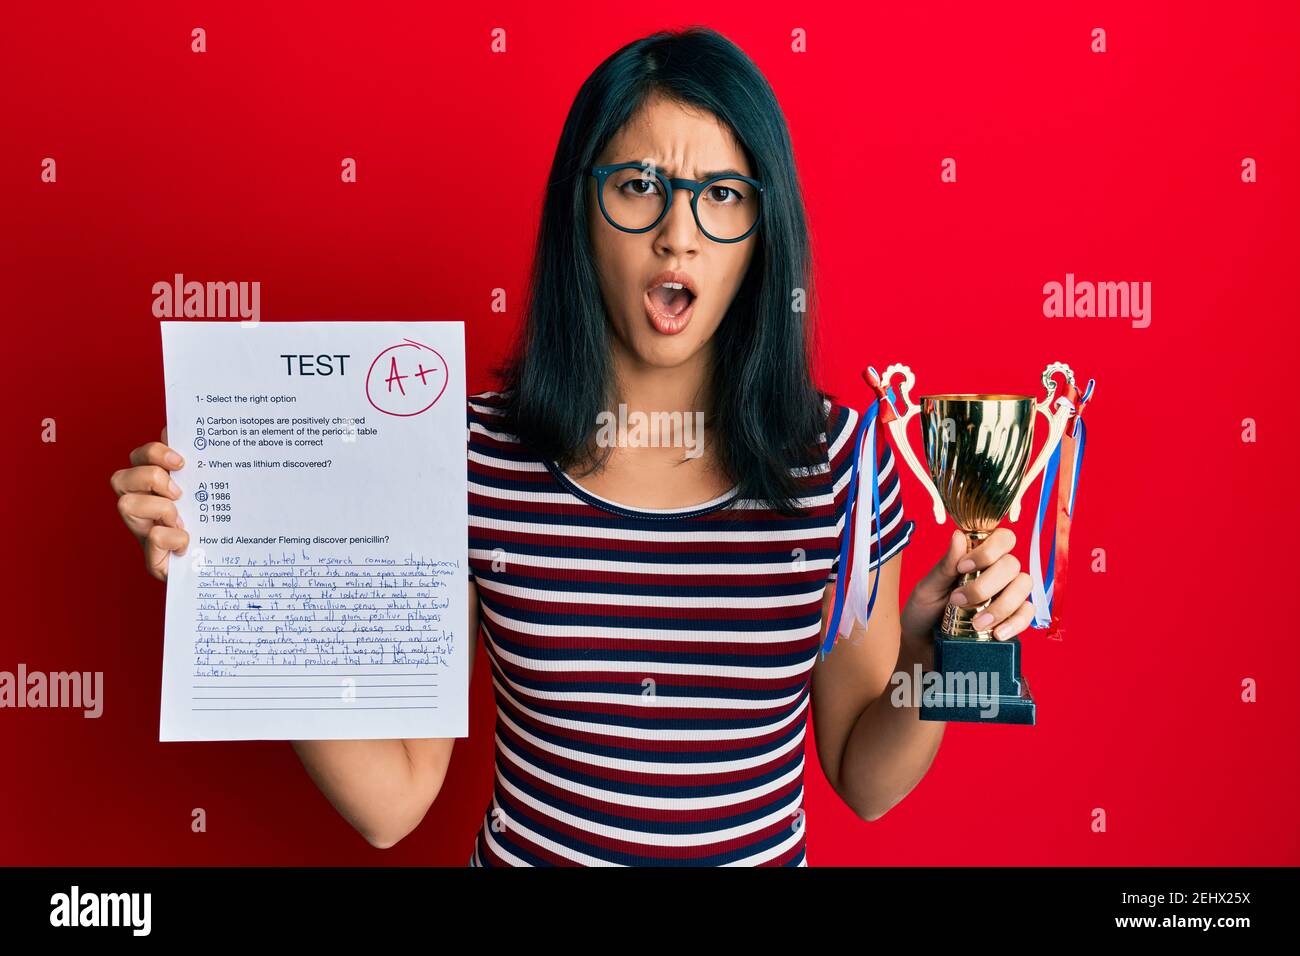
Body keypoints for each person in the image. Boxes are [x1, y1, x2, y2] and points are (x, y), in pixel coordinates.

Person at [109, 27, 1035, 866]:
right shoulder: (466, 454)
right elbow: (391, 801)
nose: (680, 237)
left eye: (721, 196)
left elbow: (866, 784)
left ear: (764, 231)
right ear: (581, 211)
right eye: (639, 188)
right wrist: (236, 576)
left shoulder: (843, 460)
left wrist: (937, 656)